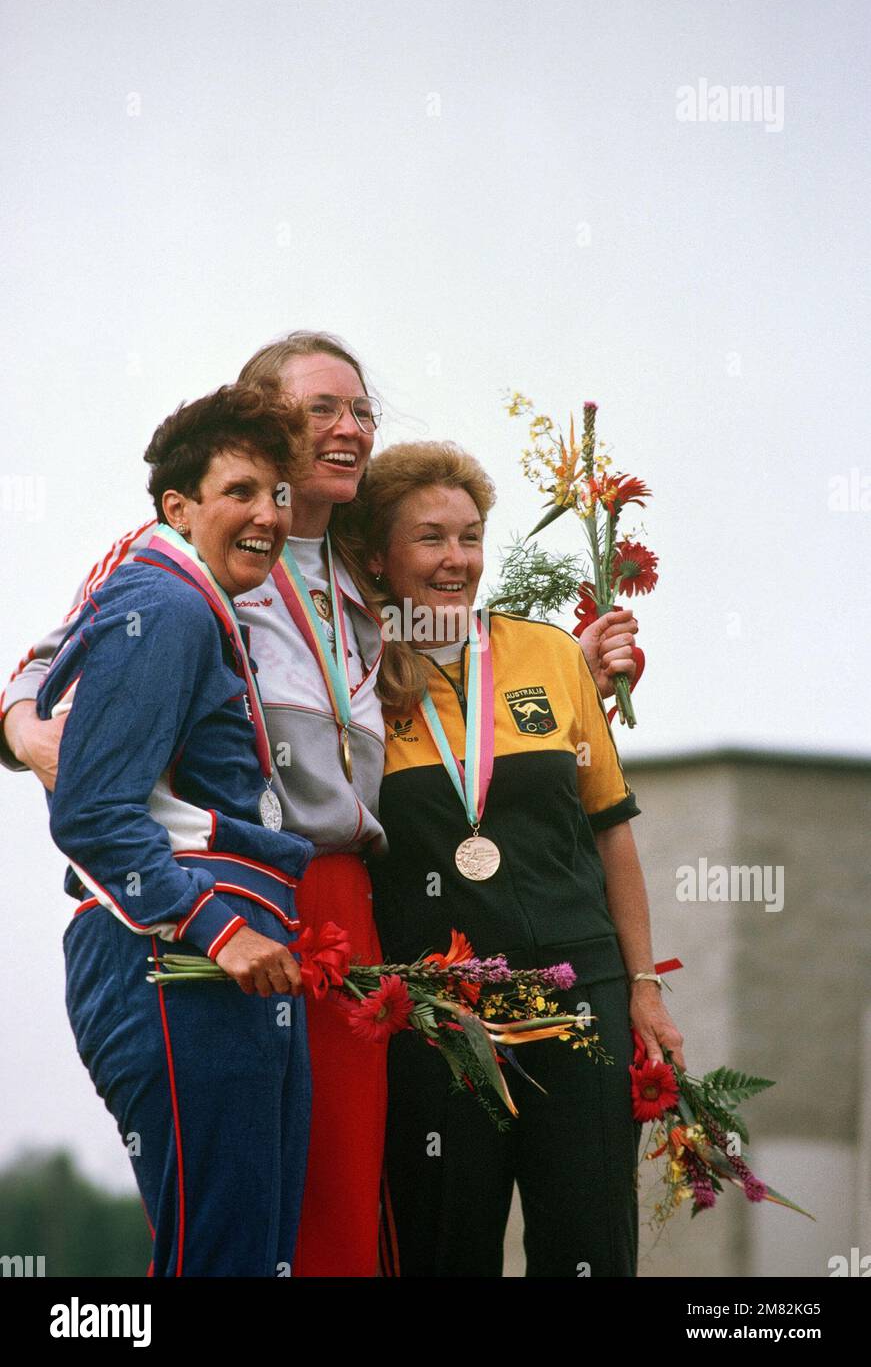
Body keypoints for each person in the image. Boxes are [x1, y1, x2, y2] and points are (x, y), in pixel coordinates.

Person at [0, 331, 642, 1276]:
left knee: (339, 1183)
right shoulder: (188, 553)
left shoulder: (356, 564)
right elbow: (49, 663)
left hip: (345, 901)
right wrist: (23, 728)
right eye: (320, 411)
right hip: (223, 891)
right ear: (263, 426)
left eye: (360, 411)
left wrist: (575, 668)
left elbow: (463, 657)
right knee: (240, 1201)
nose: (348, 428)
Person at [333, 440, 685, 1278]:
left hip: (579, 995)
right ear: (378, 556)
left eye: (470, 537)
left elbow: (610, 830)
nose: (456, 559)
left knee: (589, 1248)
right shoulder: (352, 679)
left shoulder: (549, 655)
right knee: (444, 1251)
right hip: (439, 1015)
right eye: (430, 538)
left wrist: (642, 985)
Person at [35, 381, 317, 1276]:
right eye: (240, 491)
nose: (267, 514)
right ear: (177, 507)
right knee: (222, 1261)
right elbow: (91, 811)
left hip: (221, 959)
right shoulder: (165, 607)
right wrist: (218, 930)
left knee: (247, 1258)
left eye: (277, 493)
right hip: (176, 960)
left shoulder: (196, 606)